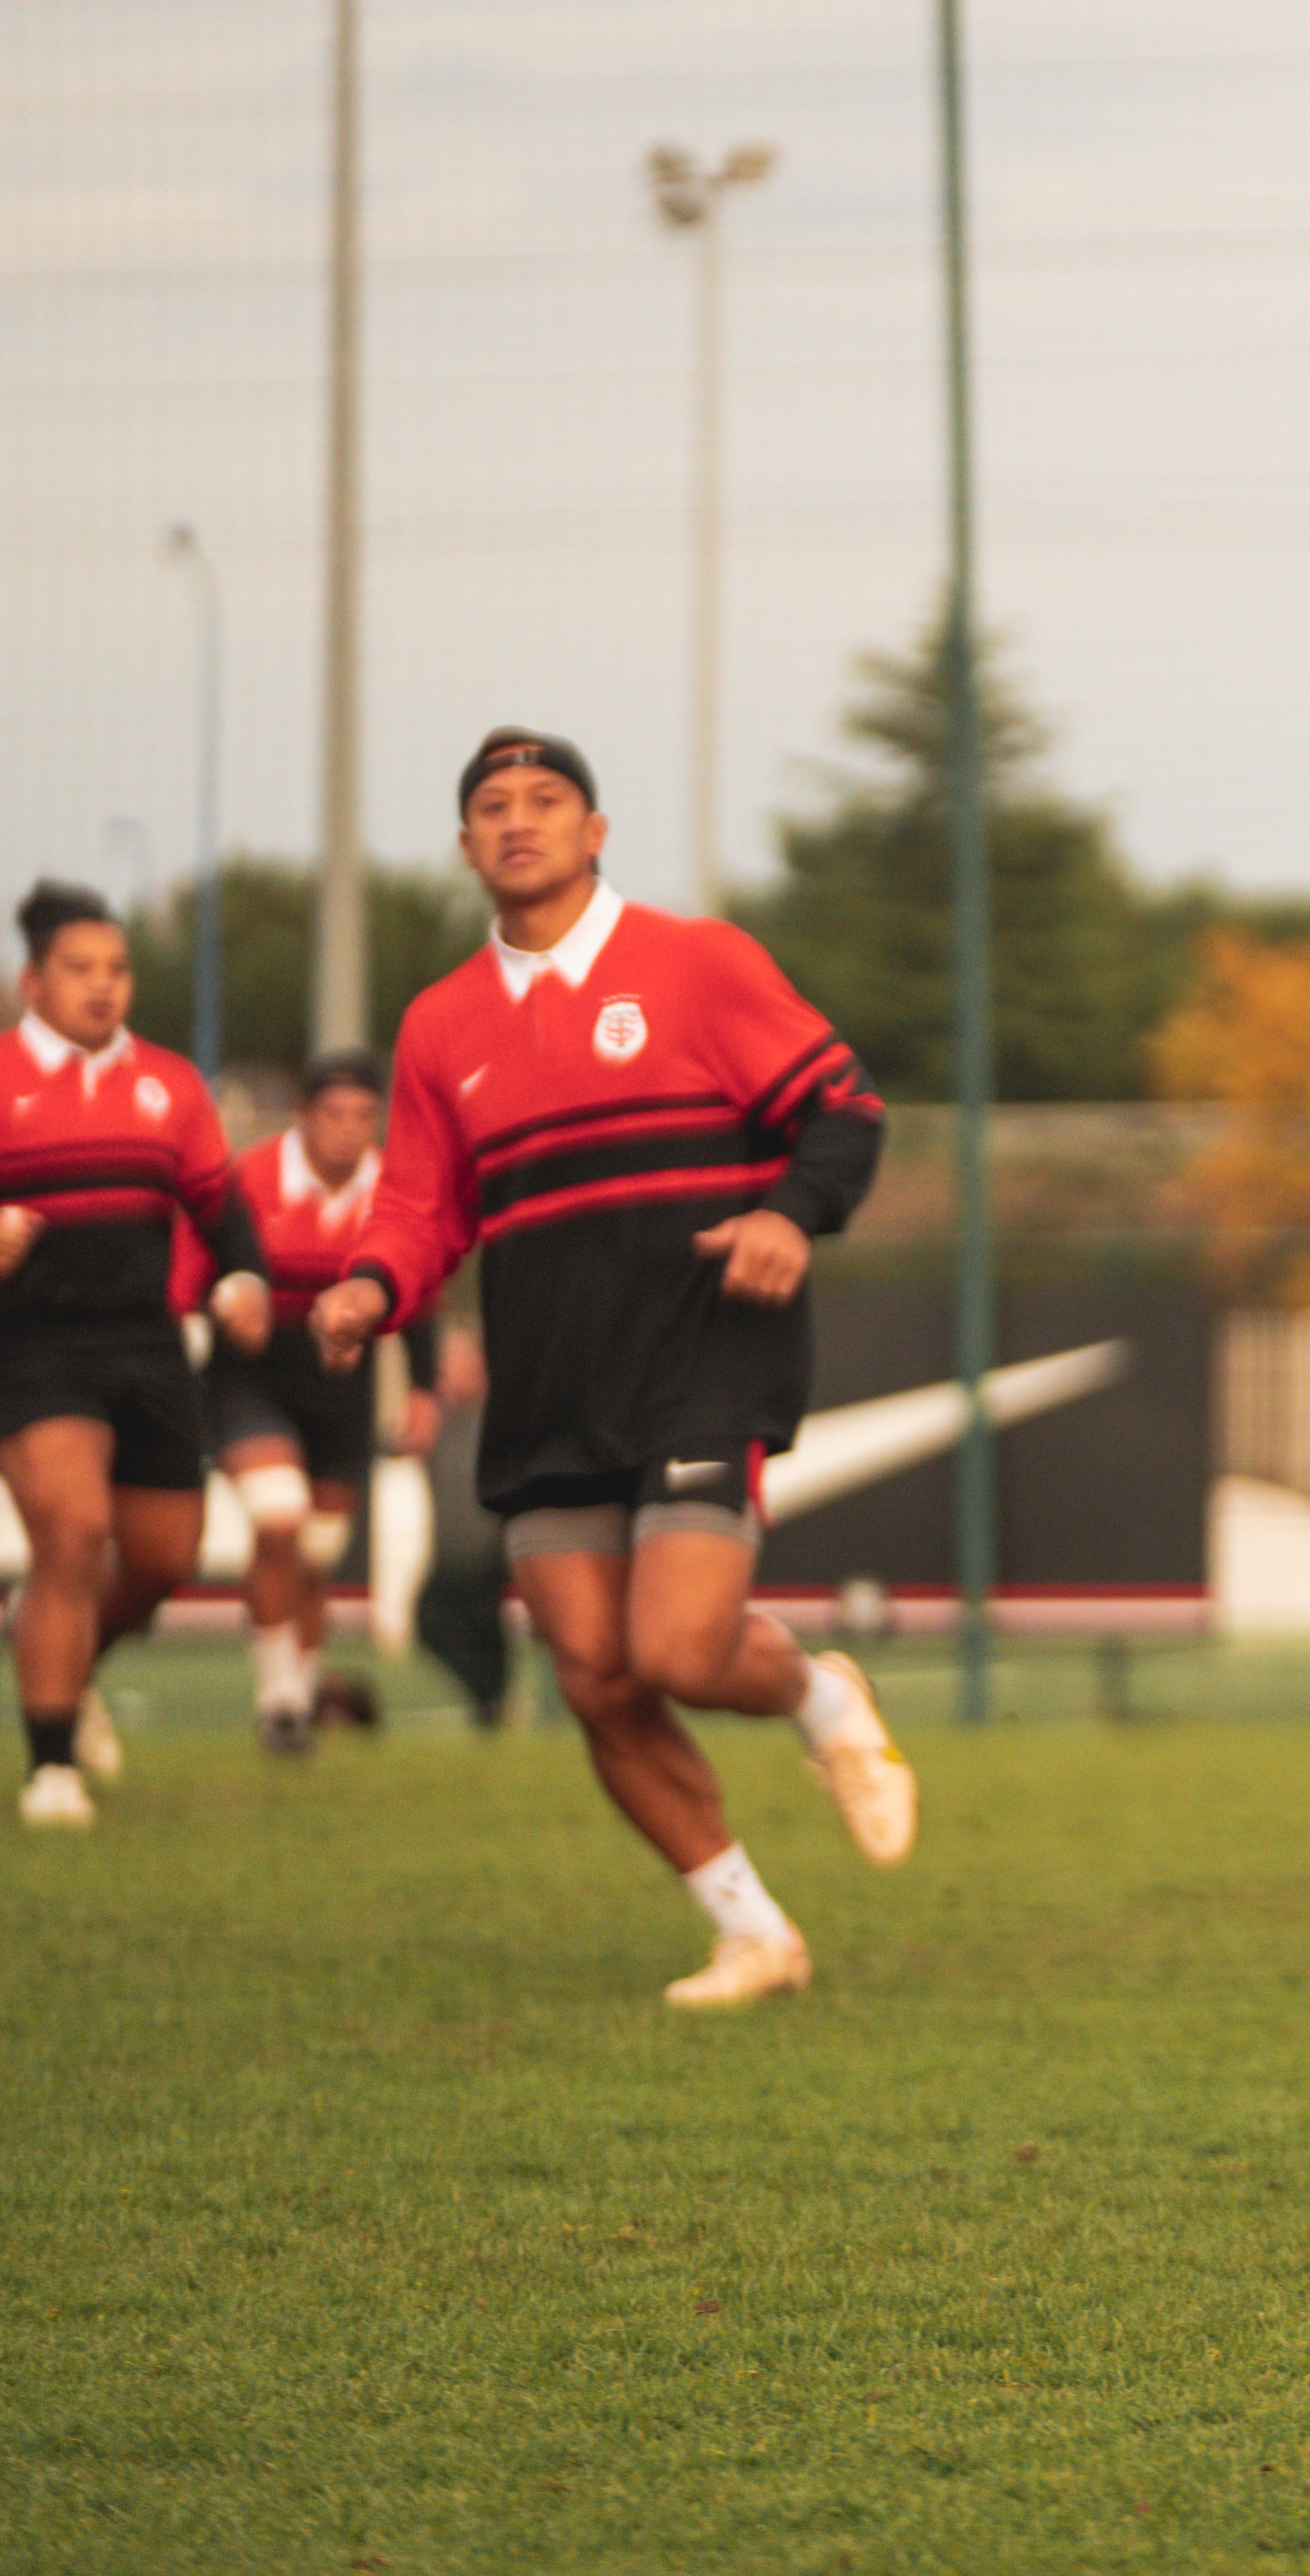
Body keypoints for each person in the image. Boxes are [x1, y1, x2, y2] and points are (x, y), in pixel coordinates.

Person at [312, 730, 911, 2003]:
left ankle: (823, 1704)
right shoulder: (440, 1025)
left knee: (682, 1645)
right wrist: (371, 1283)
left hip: (703, 1353)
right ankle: (754, 1930)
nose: (518, 819)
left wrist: (788, 1215)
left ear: (596, 831)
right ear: (466, 846)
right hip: (552, 1380)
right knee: (593, 1670)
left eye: (546, 799)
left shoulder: (699, 962)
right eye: (491, 804)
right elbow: (422, 1203)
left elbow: (845, 1108)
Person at [0, 881, 274, 1827]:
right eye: (80, 970)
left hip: (146, 1340)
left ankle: (65, 1662)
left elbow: (223, 1212)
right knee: (72, 1535)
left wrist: (248, 1282)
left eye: (118, 969)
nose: (103, 987)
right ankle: (51, 1767)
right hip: (31, 1347)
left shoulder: (171, 1086)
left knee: (163, 1555)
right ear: (32, 982)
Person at [205, 1049, 441, 1753]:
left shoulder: (391, 1189)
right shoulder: (250, 1178)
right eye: (333, 1115)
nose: (347, 1131)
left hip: (343, 1384)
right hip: (254, 1372)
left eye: (363, 1117)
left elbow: (418, 1291)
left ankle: (299, 1696)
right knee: (277, 1520)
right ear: (304, 1116)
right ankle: (277, 1701)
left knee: (316, 1552)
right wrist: (225, 1298)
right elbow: (199, 1259)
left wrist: (424, 1388)